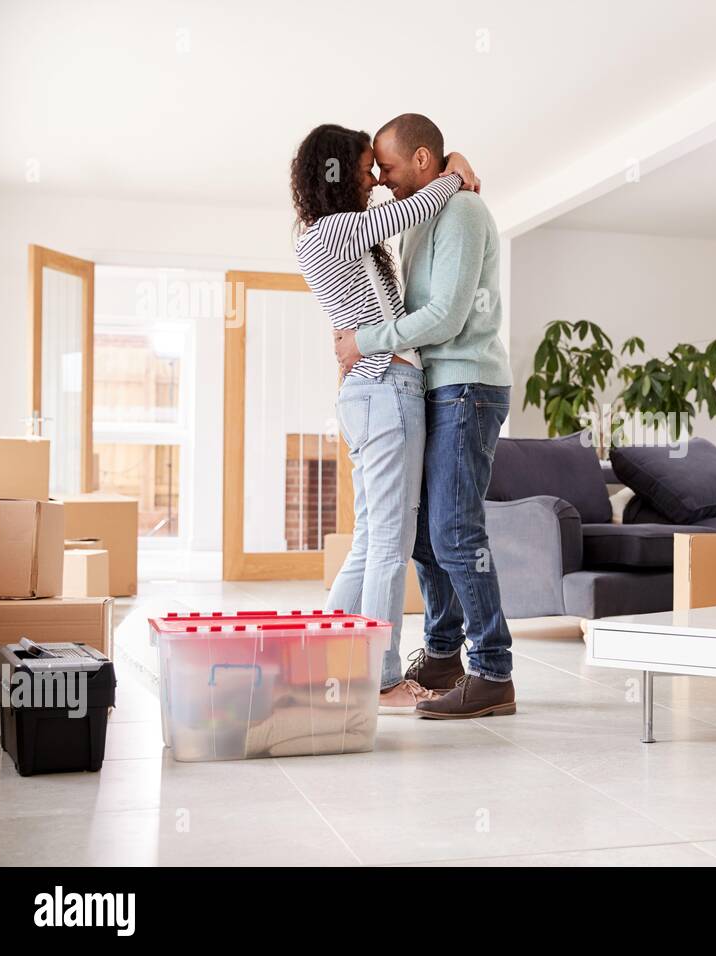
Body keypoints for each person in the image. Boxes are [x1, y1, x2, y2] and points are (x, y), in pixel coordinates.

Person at [290, 123, 479, 713]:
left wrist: (452, 164)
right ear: (336, 172)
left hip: (367, 394)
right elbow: (415, 208)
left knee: (372, 539)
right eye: (365, 167)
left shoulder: (323, 233)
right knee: (390, 546)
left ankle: (324, 663)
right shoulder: (337, 229)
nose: (374, 178)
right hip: (386, 390)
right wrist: (452, 172)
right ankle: (382, 679)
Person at [334, 113, 515, 719]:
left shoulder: (462, 213)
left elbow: (447, 318)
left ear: (420, 159)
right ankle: (442, 653)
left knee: (456, 531)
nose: (381, 181)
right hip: (434, 385)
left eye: (386, 166)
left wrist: (367, 340)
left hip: (468, 384)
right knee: (419, 534)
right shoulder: (420, 216)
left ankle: (493, 669)